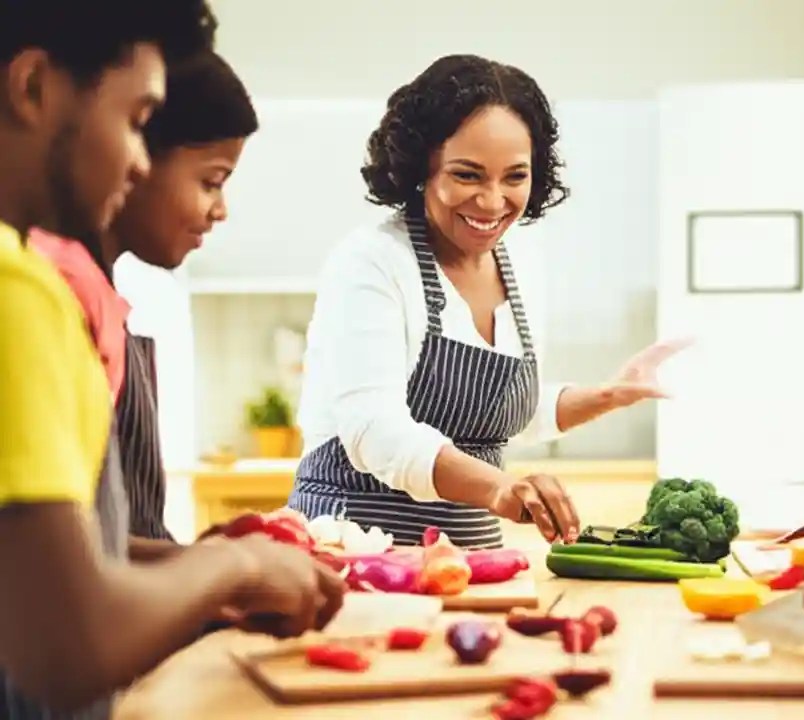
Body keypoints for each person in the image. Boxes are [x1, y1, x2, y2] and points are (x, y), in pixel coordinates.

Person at [0, 3, 343, 716]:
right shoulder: (18, 291)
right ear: (32, 88)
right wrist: (230, 565)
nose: (137, 156)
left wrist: (215, 571)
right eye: (134, 121)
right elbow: (72, 647)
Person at [289, 54, 687, 549]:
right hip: (352, 545)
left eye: (514, 177)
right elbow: (375, 429)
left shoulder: (519, 262)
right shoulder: (372, 261)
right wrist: (500, 488)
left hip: (467, 556)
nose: (493, 201)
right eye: (468, 175)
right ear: (421, 166)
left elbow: (501, 411)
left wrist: (610, 394)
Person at [32, 49, 259, 550]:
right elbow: (72, 568)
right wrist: (225, 569)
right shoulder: (63, 286)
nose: (220, 210)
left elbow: (109, 543)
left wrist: (206, 561)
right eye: (211, 182)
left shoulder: (106, 298)